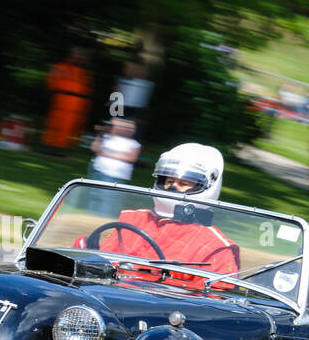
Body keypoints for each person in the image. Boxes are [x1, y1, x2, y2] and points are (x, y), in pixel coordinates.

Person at [77, 143, 239, 275]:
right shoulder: (134, 219)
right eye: (169, 181)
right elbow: (103, 261)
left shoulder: (217, 248)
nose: (173, 188)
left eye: (183, 183)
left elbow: (213, 304)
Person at [41, 48, 92, 154]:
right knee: (55, 123)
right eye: (78, 55)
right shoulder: (59, 67)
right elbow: (51, 82)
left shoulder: (85, 72)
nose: (80, 58)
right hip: (62, 98)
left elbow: (87, 89)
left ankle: (60, 148)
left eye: (82, 57)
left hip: (77, 102)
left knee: (70, 126)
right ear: (71, 55)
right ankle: (50, 146)